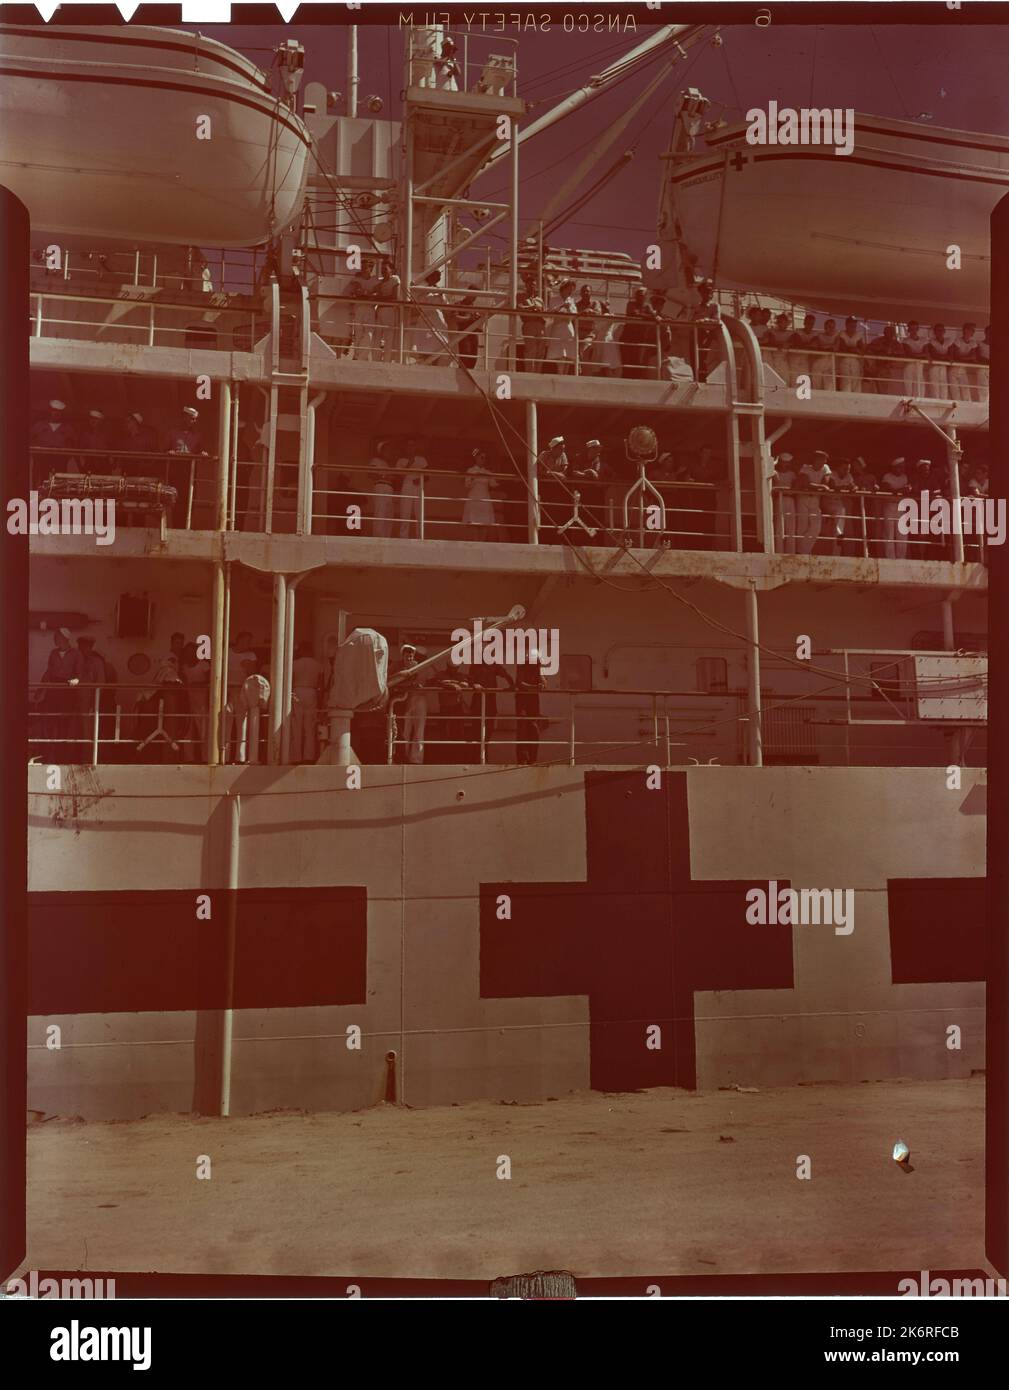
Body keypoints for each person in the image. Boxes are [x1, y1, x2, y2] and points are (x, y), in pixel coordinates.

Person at [38, 627, 82, 759]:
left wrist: (76, 680)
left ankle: (61, 755)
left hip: (67, 691)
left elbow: (80, 674)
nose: (54, 639)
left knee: (64, 724)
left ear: (64, 638)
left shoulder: (76, 653)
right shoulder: (53, 653)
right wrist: (41, 689)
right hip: (54, 691)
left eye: (56, 637)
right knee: (51, 722)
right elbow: (49, 672)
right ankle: (49, 753)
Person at [290, 641, 322, 763]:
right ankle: (309, 757)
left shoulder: (294, 664)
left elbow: (290, 680)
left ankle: (296, 757)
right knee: (310, 727)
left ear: (301, 650)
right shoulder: (318, 665)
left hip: (297, 691)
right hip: (312, 692)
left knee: (296, 726)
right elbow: (320, 684)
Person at [396, 644, 428, 764]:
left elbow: (431, 680)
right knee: (405, 730)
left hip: (420, 699)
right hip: (406, 700)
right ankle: (403, 756)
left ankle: (416, 759)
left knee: (418, 731)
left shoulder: (425, 668)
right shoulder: (407, 666)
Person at [30, 399, 77, 478]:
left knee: (58, 484)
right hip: (41, 460)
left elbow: (73, 445)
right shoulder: (39, 425)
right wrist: (36, 456)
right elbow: (30, 440)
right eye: (54, 410)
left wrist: (65, 458)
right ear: (50, 411)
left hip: (60, 461)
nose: (56, 413)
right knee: (40, 483)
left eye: (59, 411)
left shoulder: (68, 428)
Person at [796, 450, 832, 554]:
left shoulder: (826, 468)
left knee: (816, 528)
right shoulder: (805, 467)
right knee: (802, 527)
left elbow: (826, 482)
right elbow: (805, 484)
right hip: (803, 498)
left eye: (824, 460)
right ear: (815, 459)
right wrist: (820, 486)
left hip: (815, 499)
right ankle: (801, 553)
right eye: (821, 459)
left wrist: (819, 486)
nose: (823, 462)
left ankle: (803, 551)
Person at [514, 656, 547, 766]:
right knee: (523, 728)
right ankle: (523, 759)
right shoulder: (522, 668)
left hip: (533, 702)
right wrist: (534, 687)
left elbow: (544, 684)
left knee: (534, 728)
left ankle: (532, 758)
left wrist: (541, 681)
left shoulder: (537, 669)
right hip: (522, 702)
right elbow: (520, 683)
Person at [462, 447, 498, 540]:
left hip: (485, 499)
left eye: (485, 458)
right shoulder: (470, 470)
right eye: (481, 457)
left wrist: (495, 477)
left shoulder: (488, 472)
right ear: (476, 458)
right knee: (474, 522)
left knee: (484, 523)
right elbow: (467, 485)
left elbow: (494, 485)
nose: (483, 460)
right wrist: (474, 478)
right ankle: (475, 542)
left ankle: (482, 542)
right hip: (474, 498)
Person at [395, 437, 428, 538]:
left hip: (419, 486)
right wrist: (409, 463)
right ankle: (403, 536)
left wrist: (420, 478)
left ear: (415, 447)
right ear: (405, 447)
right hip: (407, 485)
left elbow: (428, 475)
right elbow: (399, 477)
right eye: (408, 445)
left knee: (419, 512)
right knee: (405, 512)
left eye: (413, 445)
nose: (411, 447)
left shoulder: (422, 459)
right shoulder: (400, 461)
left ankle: (420, 536)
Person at [879, 456, 911, 559]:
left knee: (901, 533)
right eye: (900, 467)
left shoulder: (904, 477)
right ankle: (890, 557)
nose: (901, 469)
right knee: (889, 533)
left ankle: (901, 557)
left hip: (901, 507)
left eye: (902, 467)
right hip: (889, 506)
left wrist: (900, 490)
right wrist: (900, 490)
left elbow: (904, 490)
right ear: (894, 467)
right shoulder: (887, 476)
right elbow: (888, 489)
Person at [371, 258, 402, 363]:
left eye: (385, 269)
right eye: (382, 269)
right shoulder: (380, 282)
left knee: (389, 337)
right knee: (376, 336)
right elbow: (372, 292)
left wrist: (379, 298)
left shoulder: (395, 280)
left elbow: (395, 297)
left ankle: (387, 360)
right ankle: (376, 359)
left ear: (391, 270)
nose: (383, 271)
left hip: (389, 310)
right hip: (380, 309)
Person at [545, 278, 578, 375]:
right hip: (558, 329)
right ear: (564, 288)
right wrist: (562, 306)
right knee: (560, 355)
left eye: (572, 290)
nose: (570, 292)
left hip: (568, 329)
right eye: (569, 289)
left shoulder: (571, 301)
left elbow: (574, 315)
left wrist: (569, 309)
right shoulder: (554, 299)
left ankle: (565, 376)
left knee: (568, 355)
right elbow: (551, 312)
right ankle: (560, 374)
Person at [518, 277, 547, 372]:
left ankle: (538, 372)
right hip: (529, 324)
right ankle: (529, 372)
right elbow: (520, 307)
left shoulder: (540, 299)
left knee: (540, 351)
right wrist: (532, 307)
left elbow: (544, 312)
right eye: (530, 285)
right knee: (530, 350)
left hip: (540, 325)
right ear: (526, 285)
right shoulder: (521, 296)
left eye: (534, 285)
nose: (532, 287)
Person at [368, 440, 396, 538]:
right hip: (381, 486)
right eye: (387, 450)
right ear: (381, 451)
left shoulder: (388, 464)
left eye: (390, 450)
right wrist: (384, 477)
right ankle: (378, 537)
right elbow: (370, 474)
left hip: (389, 488)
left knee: (389, 514)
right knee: (380, 512)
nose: (389, 452)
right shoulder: (375, 460)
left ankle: (386, 537)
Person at [772, 452, 798, 554]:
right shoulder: (775, 473)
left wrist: (783, 489)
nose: (785, 465)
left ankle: (790, 552)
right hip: (779, 500)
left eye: (787, 463)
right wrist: (774, 463)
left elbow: (795, 488)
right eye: (783, 462)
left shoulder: (792, 474)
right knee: (779, 527)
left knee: (790, 528)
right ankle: (779, 552)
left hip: (790, 500)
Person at [867, 324, 901, 395]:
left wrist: (893, 353)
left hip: (892, 366)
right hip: (879, 365)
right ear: (884, 333)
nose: (890, 334)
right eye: (888, 332)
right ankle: (882, 394)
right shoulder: (877, 341)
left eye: (892, 333)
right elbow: (869, 349)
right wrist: (881, 349)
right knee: (881, 373)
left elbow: (902, 354)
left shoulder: (897, 344)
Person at [948, 323, 978, 403]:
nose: (968, 332)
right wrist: (969, 358)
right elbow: (957, 356)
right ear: (963, 331)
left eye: (970, 330)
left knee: (965, 390)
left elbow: (974, 357)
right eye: (966, 329)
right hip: (954, 369)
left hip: (962, 369)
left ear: (972, 333)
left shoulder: (973, 343)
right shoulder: (958, 341)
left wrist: (965, 358)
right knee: (955, 391)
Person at [835, 317, 865, 393]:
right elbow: (843, 348)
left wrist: (854, 349)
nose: (853, 328)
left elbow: (862, 350)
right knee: (845, 382)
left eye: (854, 326)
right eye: (851, 326)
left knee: (856, 383)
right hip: (844, 361)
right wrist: (854, 349)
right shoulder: (842, 334)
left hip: (855, 361)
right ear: (846, 325)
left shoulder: (858, 335)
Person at [787, 313, 819, 384]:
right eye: (808, 323)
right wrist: (808, 345)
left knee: (805, 380)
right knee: (794, 379)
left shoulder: (815, 334)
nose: (810, 325)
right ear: (804, 323)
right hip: (794, 358)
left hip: (805, 359)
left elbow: (814, 345)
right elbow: (798, 343)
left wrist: (804, 344)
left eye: (812, 323)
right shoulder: (797, 332)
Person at [763, 312, 793, 383]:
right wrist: (780, 344)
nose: (781, 324)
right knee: (772, 378)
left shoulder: (791, 333)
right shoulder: (771, 331)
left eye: (783, 322)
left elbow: (792, 342)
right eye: (780, 322)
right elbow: (770, 340)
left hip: (784, 359)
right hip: (771, 359)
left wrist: (782, 344)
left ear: (787, 323)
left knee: (785, 379)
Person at [811, 317, 840, 391]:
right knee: (816, 387)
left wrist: (823, 347)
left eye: (833, 327)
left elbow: (835, 347)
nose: (831, 329)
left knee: (829, 387)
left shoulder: (837, 336)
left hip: (830, 365)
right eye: (829, 327)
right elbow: (814, 346)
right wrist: (829, 347)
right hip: (818, 364)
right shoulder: (819, 336)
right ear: (825, 327)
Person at [901, 320, 928, 397]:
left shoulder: (924, 340)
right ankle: (908, 402)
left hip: (919, 365)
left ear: (918, 329)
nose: (914, 331)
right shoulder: (906, 340)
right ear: (909, 330)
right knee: (908, 386)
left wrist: (917, 355)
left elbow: (926, 353)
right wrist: (922, 355)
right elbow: (909, 354)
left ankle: (919, 401)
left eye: (915, 329)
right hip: (909, 365)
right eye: (912, 329)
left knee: (920, 386)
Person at [925, 323, 951, 399]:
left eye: (941, 330)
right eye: (937, 330)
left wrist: (943, 357)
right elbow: (934, 355)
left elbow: (951, 355)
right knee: (934, 388)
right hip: (934, 367)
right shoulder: (930, 341)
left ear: (944, 331)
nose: (940, 332)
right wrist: (945, 357)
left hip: (943, 367)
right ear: (934, 332)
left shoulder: (948, 341)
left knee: (944, 388)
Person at [976, 325, 991, 403]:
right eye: (989, 333)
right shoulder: (979, 344)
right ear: (985, 333)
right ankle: (983, 405)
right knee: (983, 389)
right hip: (982, 369)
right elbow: (978, 357)